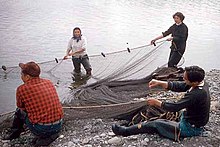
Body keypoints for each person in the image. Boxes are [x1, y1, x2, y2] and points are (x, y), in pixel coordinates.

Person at [112, 66, 210, 141]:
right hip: (191, 119)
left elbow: (175, 107)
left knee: (155, 124)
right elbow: (182, 86)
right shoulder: (201, 82)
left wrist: (156, 102)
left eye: (185, 79)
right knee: (164, 115)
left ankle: (125, 131)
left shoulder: (197, 94)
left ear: (195, 82)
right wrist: (160, 83)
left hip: (190, 128)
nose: (183, 80)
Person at [3, 61, 64, 146]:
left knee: (19, 111)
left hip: (43, 129)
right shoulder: (48, 82)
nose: (21, 77)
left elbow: (21, 107)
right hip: (59, 124)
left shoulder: (21, 89)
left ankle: (15, 134)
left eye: (21, 75)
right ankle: (51, 134)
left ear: (27, 77)